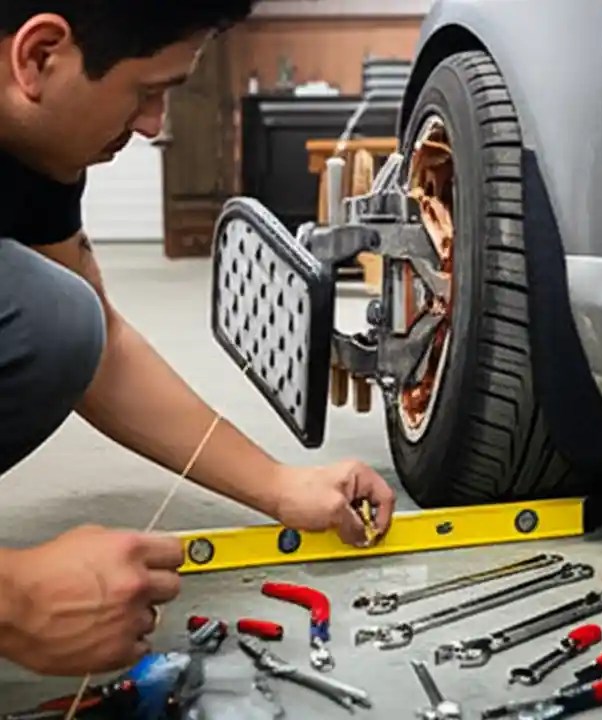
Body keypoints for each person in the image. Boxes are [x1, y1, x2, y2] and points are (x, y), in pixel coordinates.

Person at [0, 2, 398, 677]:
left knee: (57, 320)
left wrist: (279, 486)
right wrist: (14, 600)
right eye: (146, 92)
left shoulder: (35, 149)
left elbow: (102, 348)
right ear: (39, 57)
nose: (155, 126)